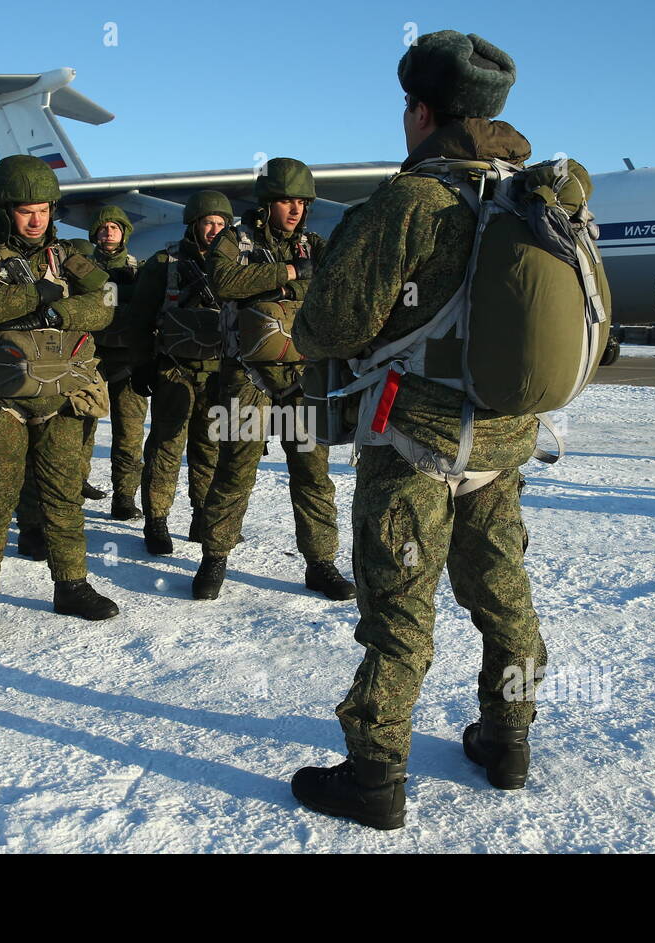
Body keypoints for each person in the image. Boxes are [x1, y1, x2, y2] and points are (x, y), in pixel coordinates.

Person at [288, 31, 546, 829]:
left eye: (407, 108)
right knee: (505, 599)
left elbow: (327, 324)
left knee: (401, 614)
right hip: (502, 445)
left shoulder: (417, 198)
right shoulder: (533, 197)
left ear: (422, 112)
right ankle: (508, 741)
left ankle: (374, 777)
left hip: (417, 446)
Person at [0, 155, 120, 644]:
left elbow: (105, 301)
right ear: (3, 209)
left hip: (61, 393)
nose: (37, 219)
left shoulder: (66, 252)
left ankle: (71, 585)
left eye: (44, 209)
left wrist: (57, 310)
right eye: (26, 210)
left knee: (64, 496)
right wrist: (36, 295)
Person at [191, 158, 354, 603]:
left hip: (304, 376)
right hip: (246, 376)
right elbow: (222, 280)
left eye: (302, 201)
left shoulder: (316, 245)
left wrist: (269, 289)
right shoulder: (233, 240)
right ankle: (215, 556)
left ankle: (320, 563)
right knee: (235, 468)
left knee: (312, 472)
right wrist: (288, 276)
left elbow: (336, 290)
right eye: (287, 200)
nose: (296, 209)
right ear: (266, 204)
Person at [128, 190, 232, 555]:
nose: (214, 230)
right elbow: (140, 316)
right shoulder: (165, 262)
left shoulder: (237, 264)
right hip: (175, 369)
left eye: (221, 224)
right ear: (193, 224)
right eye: (208, 222)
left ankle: (202, 516)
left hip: (218, 372)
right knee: (166, 447)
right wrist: (141, 362)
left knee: (210, 449)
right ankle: (156, 521)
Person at [82, 206, 147, 519]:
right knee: (82, 423)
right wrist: (127, 295)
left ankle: (124, 497)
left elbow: (146, 298)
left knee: (130, 433)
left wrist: (106, 291)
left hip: (128, 358)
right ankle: (77, 481)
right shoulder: (80, 265)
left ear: (124, 233)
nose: (109, 232)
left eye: (115, 227)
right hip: (89, 356)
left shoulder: (139, 268)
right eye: (104, 227)